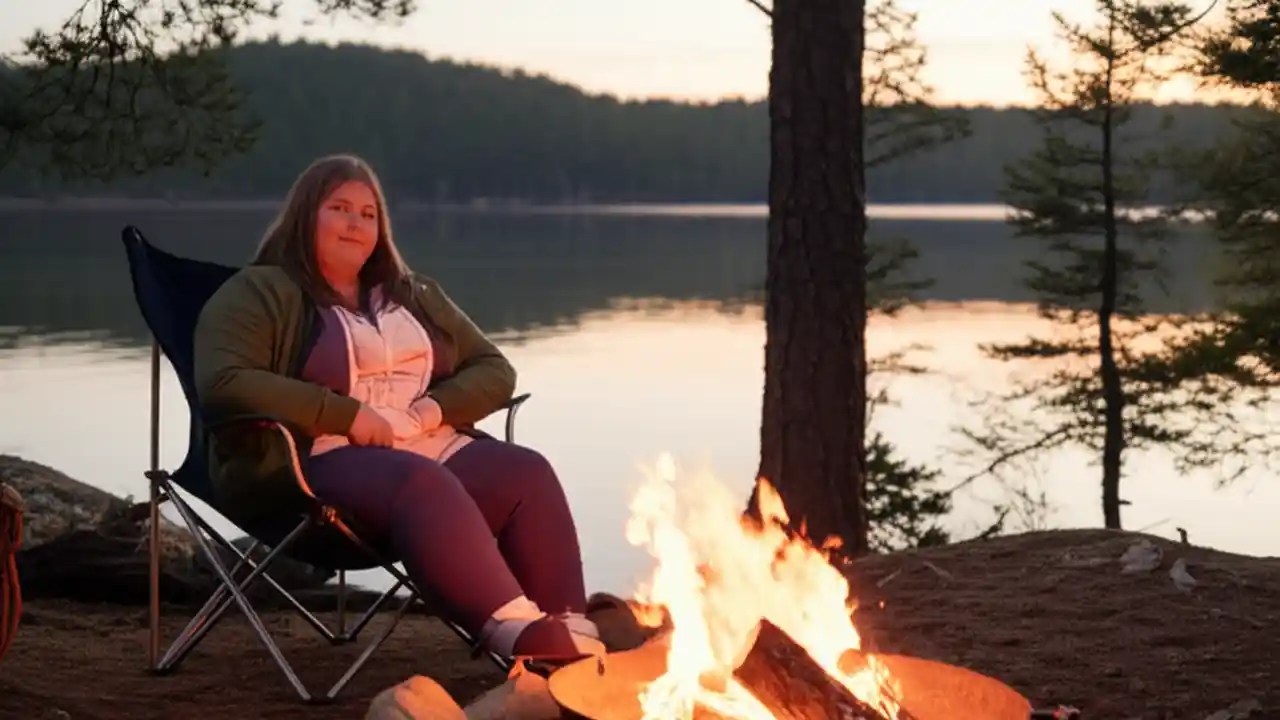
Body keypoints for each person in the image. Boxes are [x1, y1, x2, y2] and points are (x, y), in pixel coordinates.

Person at [192, 153, 603, 663]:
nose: (355, 223)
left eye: (369, 214)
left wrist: (428, 412)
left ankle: (574, 637)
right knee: (419, 481)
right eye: (339, 207)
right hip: (311, 460)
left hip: (422, 444)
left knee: (526, 473)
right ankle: (518, 635)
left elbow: (494, 369)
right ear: (305, 215)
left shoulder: (412, 293)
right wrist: (348, 415)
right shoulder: (259, 290)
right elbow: (225, 384)